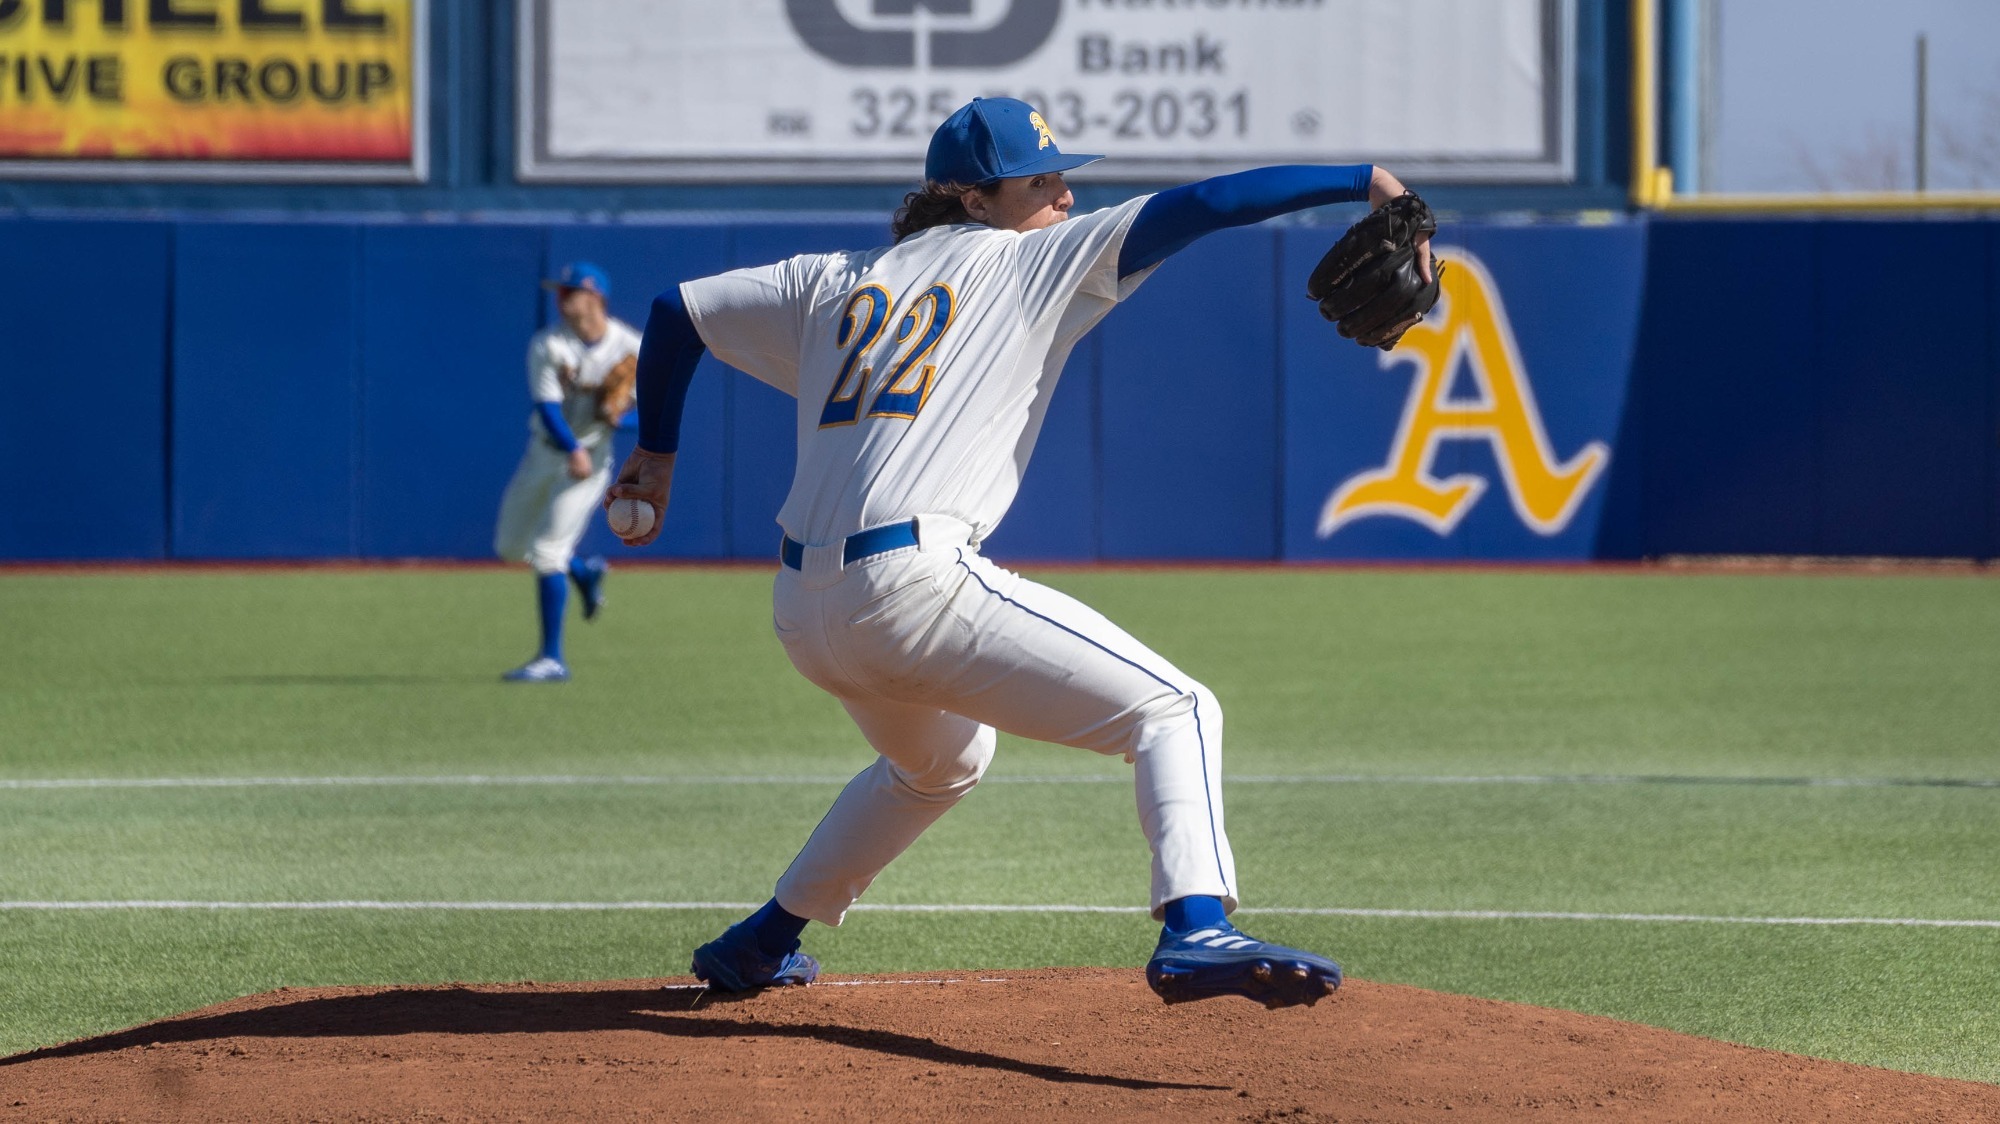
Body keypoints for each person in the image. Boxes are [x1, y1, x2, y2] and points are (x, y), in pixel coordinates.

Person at [606, 98, 1433, 1006]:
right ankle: (1197, 925)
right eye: (1042, 181)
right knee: (1177, 710)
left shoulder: (831, 276)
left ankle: (761, 942)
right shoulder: (1029, 258)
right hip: (910, 586)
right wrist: (1365, 179)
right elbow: (1206, 203)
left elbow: (674, 313)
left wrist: (654, 457)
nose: (1066, 197)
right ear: (971, 199)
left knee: (942, 764)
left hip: (805, 607)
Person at [494, 261, 641, 683]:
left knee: (547, 552)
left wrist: (619, 420)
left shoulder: (631, 346)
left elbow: (652, 415)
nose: (559, 299)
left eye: (569, 292)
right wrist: (572, 446)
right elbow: (546, 407)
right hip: (545, 452)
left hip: (591, 463)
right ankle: (584, 571)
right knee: (510, 547)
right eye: (559, 292)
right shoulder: (549, 344)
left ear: (594, 297)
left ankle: (551, 658)